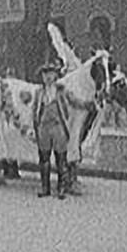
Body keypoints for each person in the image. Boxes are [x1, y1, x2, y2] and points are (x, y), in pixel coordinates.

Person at [31, 60, 91, 200]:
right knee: (44, 159)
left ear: (55, 75)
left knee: (61, 159)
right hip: (44, 128)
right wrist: (34, 127)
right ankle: (45, 187)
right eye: (45, 75)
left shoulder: (61, 91)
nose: (48, 78)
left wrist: (87, 104)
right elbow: (34, 111)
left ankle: (61, 188)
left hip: (58, 126)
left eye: (50, 74)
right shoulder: (39, 93)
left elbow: (74, 101)